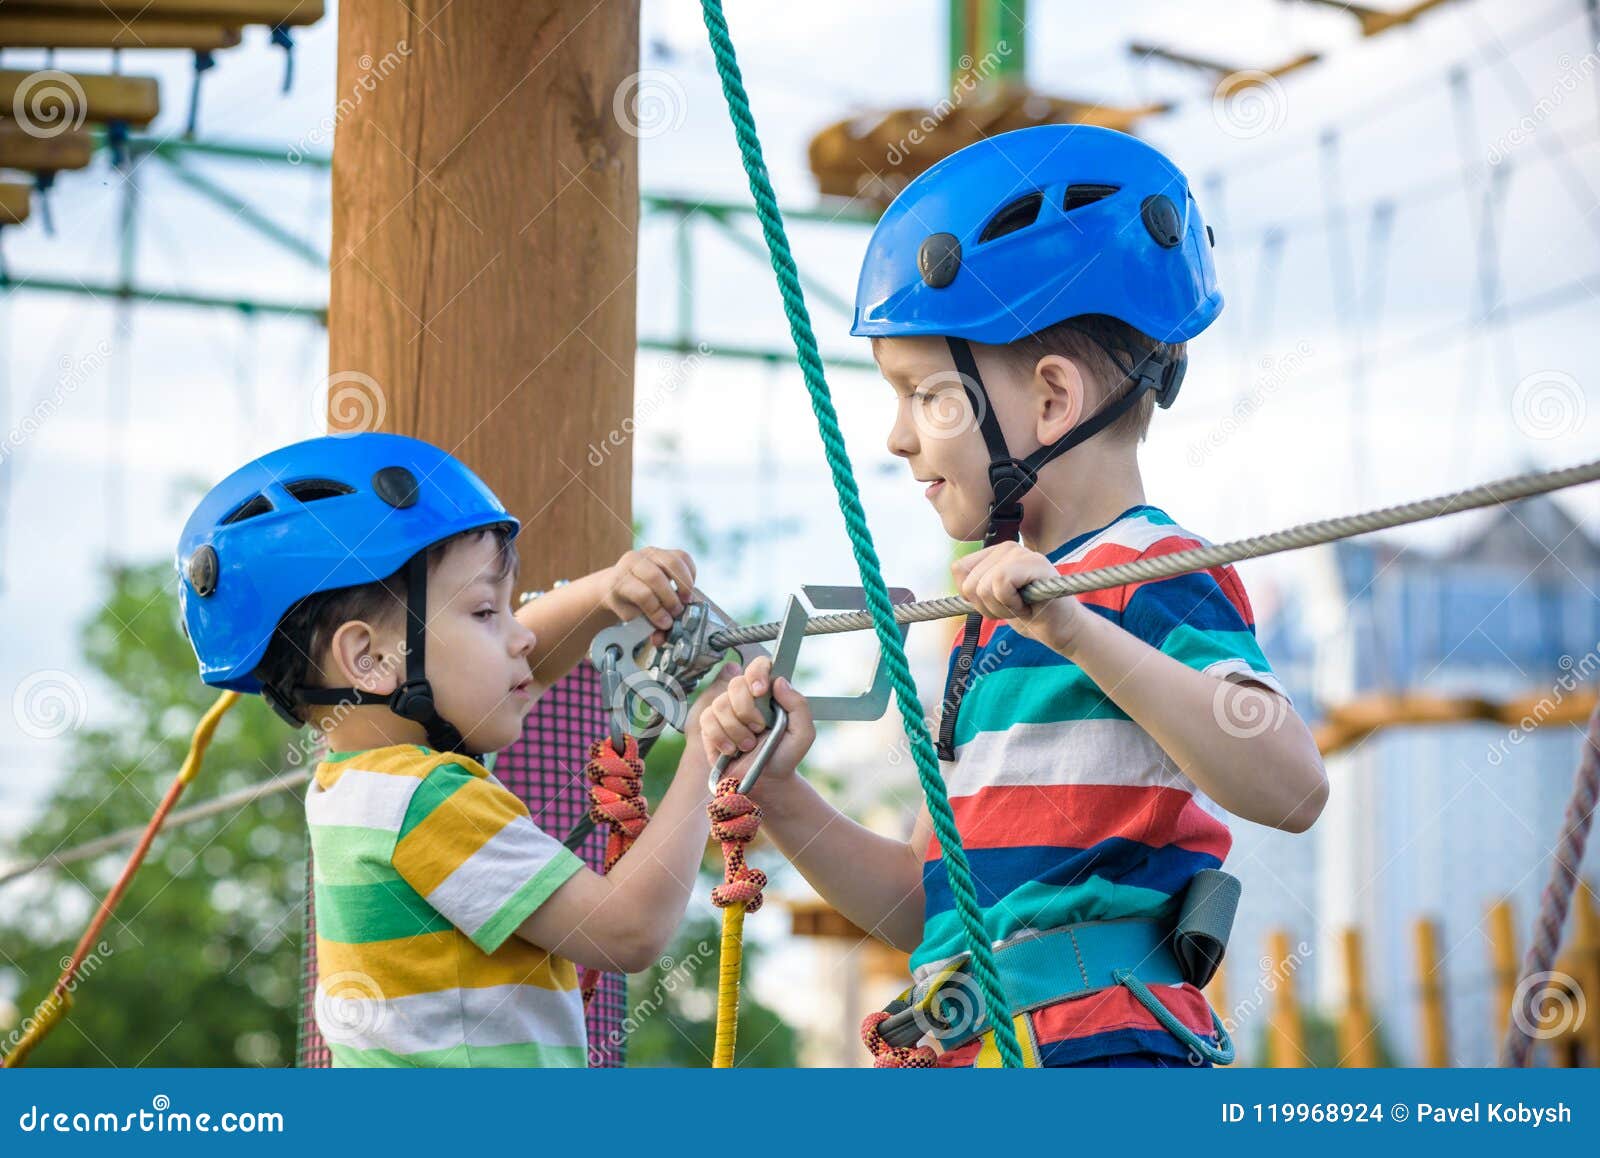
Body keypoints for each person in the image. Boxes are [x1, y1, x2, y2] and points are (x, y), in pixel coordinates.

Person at [697, 126, 1329, 1068]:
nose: (898, 438)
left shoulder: (1147, 569)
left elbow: (1291, 784)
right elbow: (928, 905)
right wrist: (782, 796)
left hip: (1101, 1050)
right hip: (978, 1048)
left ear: (1049, 401)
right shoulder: (986, 627)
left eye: (925, 395)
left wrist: (1078, 630)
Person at [177, 431, 726, 1066]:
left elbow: (510, 671)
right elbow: (628, 930)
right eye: (486, 612)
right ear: (370, 660)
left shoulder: (361, 785)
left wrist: (605, 593)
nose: (521, 637)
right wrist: (704, 752)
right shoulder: (427, 798)